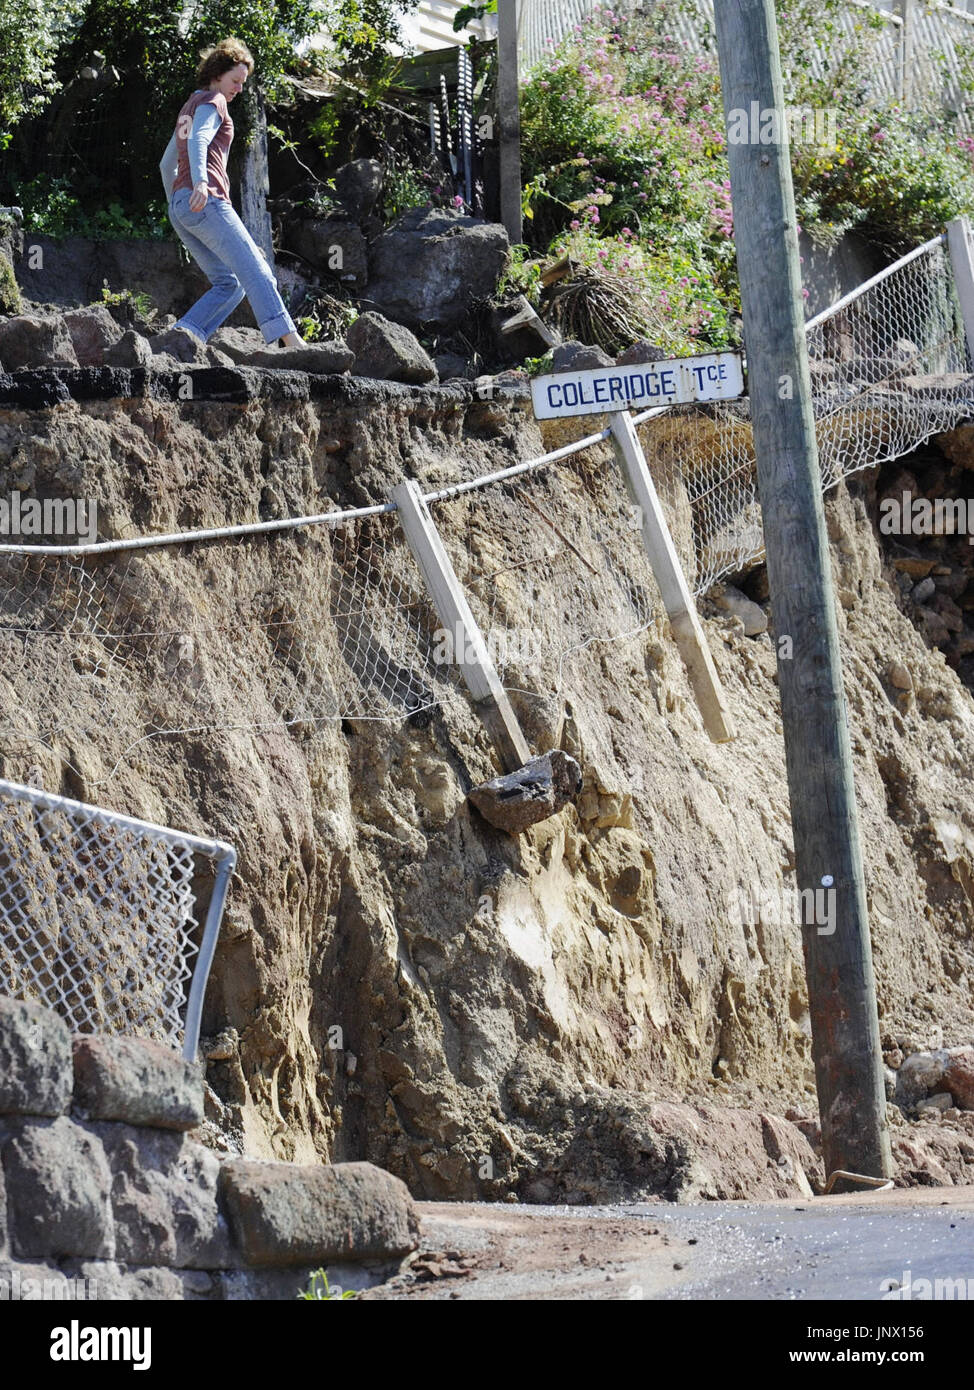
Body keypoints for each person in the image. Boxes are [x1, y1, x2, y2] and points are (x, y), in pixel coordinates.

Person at [159, 38, 304, 350]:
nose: (238, 88)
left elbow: (166, 164)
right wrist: (200, 184)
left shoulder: (190, 105)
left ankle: (183, 337)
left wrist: (178, 202)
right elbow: (199, 142)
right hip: (206, 199)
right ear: (217, 74)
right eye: (236, 81)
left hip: (183, 207)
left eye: (242, 83)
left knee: (230, 283)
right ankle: (292, 345)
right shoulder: (214, 101)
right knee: (258, 272)